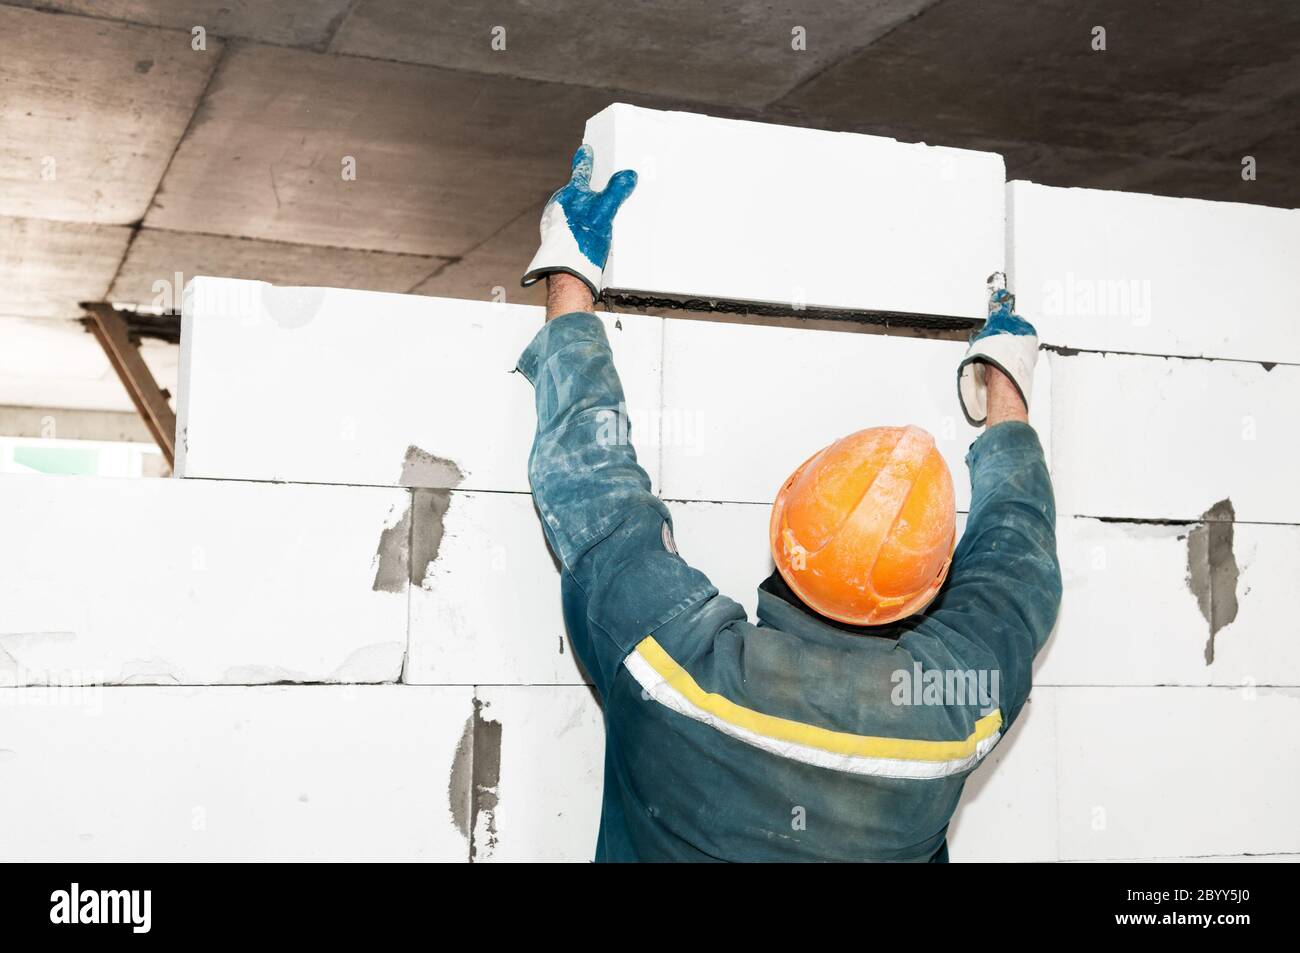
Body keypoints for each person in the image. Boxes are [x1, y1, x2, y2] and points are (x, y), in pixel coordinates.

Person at [515, 145, 1062, 862]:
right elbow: (1016, 564)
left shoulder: (674, 671)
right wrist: (1006, 386)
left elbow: (591, 486)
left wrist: (571, 276)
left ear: (784, 530)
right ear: (932, 589)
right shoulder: (951, 715)